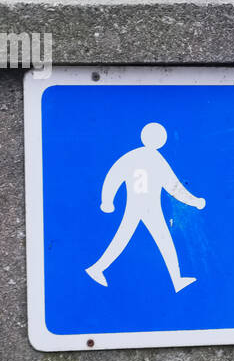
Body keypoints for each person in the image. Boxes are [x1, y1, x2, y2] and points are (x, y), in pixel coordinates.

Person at [85, 122, 206, 292]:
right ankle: (97, 268)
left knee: (145, 239)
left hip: (142, 207)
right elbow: (174, 188)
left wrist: (107, 201)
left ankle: (177, 279)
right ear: (160, 140)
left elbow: (114, 176)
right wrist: (195, 201)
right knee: (155, 240)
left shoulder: (132, 156)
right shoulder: (156, 159)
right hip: (147, 207)